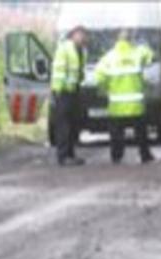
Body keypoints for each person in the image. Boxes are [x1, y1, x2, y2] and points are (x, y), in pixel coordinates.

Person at [95, 29, 155, 164]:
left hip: (117, 106)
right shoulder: (138, 53)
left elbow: (99, 77)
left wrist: (106, 88)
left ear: (116, 40)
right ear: (131, 40)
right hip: (136, 105)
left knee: (116, 133)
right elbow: (150, 56)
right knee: (141, 132)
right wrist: (141, 44)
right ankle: (145, 155)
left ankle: (116, 156)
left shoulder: (109, 57)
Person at [51, 25, 89, 166]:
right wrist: (58, 90)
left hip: (74, 91)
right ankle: (63, 156)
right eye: (81, 35)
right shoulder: (65, 48)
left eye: (85, 36)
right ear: (73, 35)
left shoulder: (81, 50)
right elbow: (59, 70)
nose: (83, 38)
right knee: (64, 125)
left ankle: (71, 154)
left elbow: (79, 71)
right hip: (63, 92)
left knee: (73, 125)